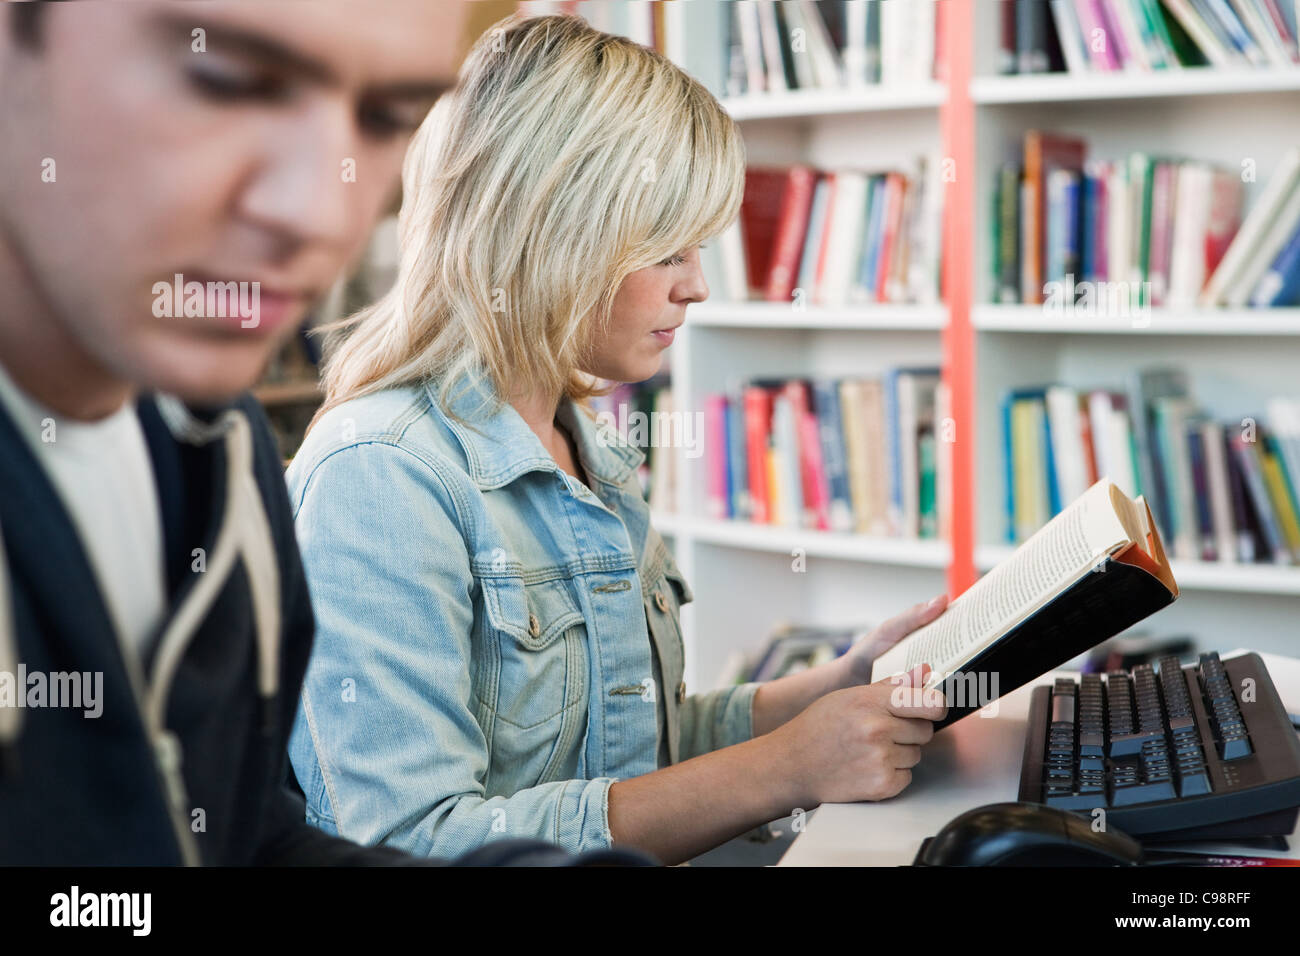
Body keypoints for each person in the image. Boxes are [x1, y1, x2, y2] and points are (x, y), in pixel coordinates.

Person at [287, 12, 952, 867]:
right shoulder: (379, 475)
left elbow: (630, 753)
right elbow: (412, 843)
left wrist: (834, 686)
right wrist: (787, 768)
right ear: (552, 235)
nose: (699, 288)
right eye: (667, 251)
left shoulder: (586, 447)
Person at [0, 0, 645, 866]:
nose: (320, 213)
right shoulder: (365, 462)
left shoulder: (216, 449)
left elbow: (246, 842)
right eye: (226, 82)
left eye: (388, 119)